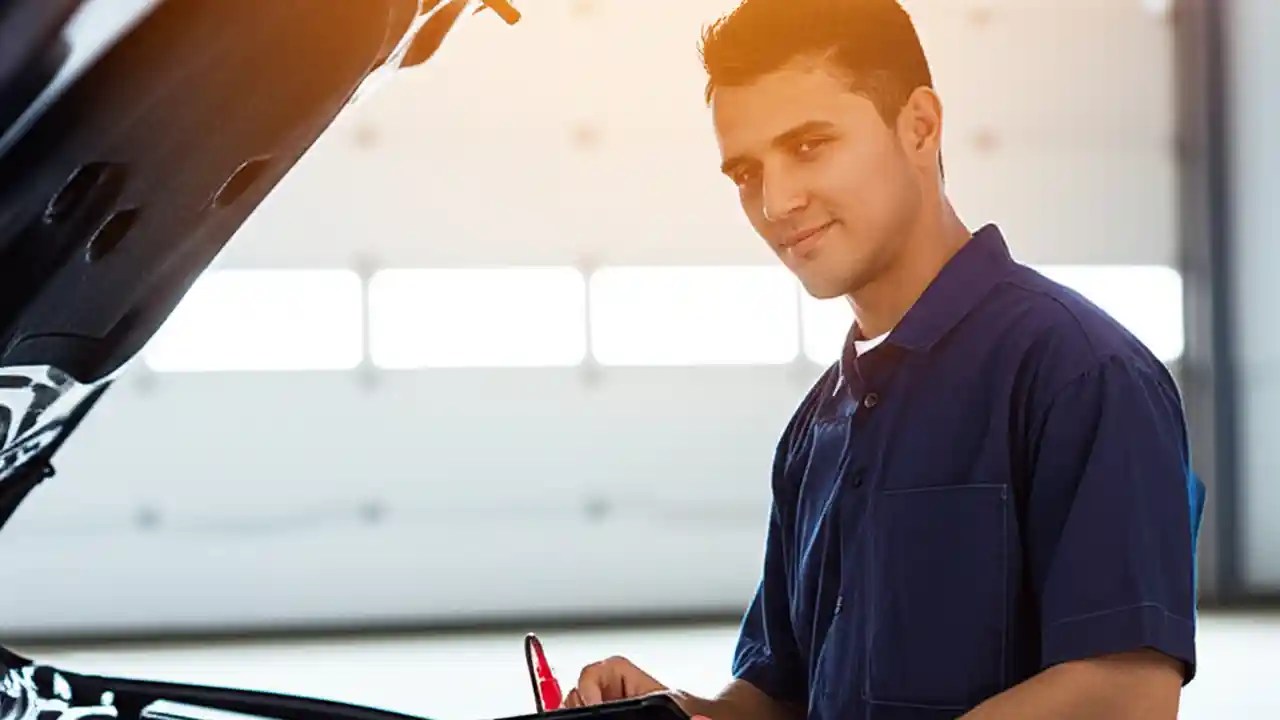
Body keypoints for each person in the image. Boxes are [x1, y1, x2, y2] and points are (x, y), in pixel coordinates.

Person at [562, 0, 1205, 717]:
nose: (775, 201)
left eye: (809, 145)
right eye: (746, 171)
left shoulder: (1083, 374)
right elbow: (781, 696)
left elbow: (1123, 694)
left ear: (920, 127)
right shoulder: (817, 431)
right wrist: (680, 715)